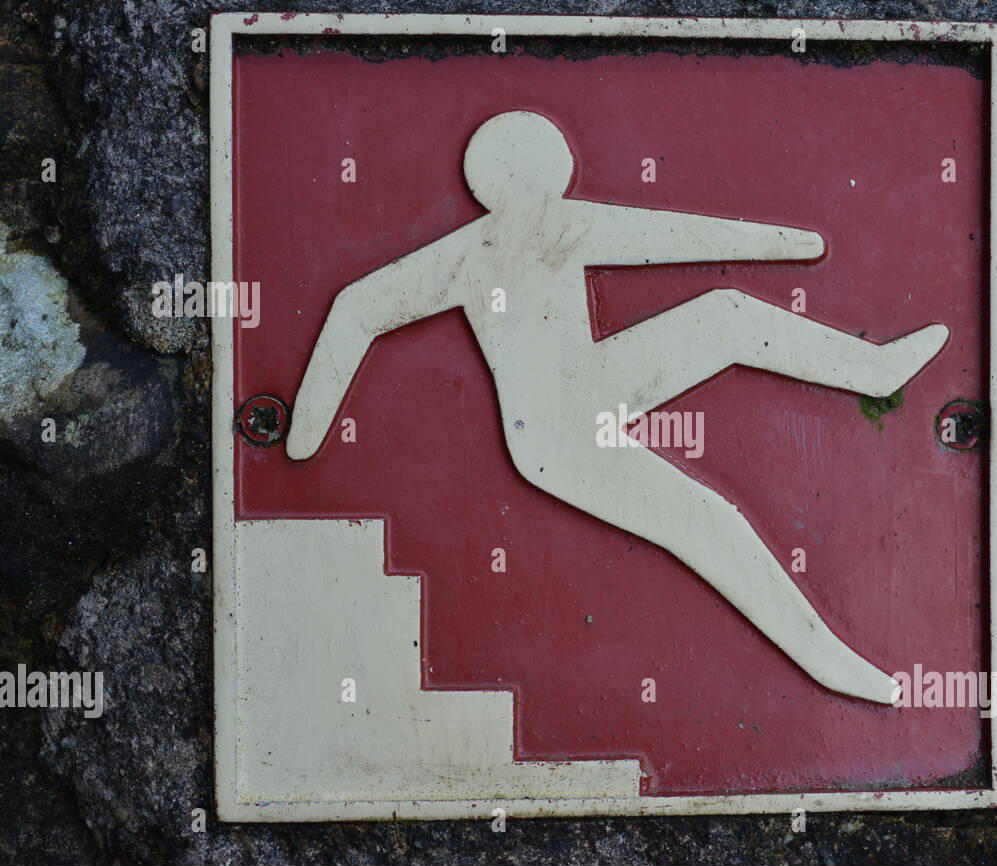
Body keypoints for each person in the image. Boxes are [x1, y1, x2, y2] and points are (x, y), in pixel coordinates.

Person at [287, 111, 949, 703]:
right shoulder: (474, 252)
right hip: (552, 435)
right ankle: (829, 664)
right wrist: (305, 434)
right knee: (707, 520)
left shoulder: (541, 231)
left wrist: (796, 245)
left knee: (723, 317)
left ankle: (874, 371)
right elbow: (357, 309)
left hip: (591, 384)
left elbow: (684, 237)